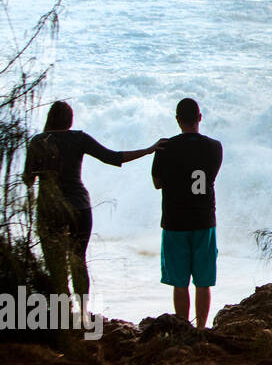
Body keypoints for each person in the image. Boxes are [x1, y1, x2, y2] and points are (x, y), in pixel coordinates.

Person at [21, 100, 164, 322]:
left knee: (55, 265)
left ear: (50, 118)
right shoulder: (79, 138)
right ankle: (84, 313)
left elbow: (28, 180)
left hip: (51, 210)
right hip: (80, 207)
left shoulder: (39, 141)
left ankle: (62, 315)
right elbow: (113, 157)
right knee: (78, 260)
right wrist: (148, 150)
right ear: (70, 120)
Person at [152, 98, 223, 330]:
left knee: (180, 282)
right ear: (199, 117)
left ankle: (183, 327)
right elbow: (210, 176)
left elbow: (157, 182)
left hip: (175, 221)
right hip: (204, 219)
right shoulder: (214, 147)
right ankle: (201, 329)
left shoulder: (164, 148)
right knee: (203, 282)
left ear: (177, 120)